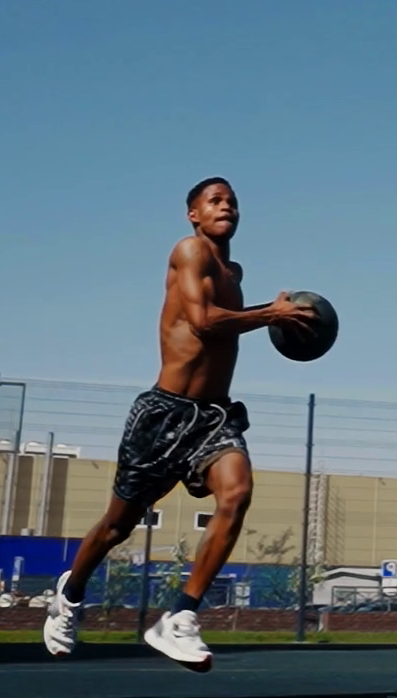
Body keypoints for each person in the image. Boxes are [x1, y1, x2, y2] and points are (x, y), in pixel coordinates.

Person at [42, 177, 322, 671]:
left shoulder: (234, 271)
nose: (226, 207)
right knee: (116, 527)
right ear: (194, 214)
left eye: (232, 201)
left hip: (212, 418)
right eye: (215, 201)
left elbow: (227, 323)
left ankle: (181, 618)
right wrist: (269, 314)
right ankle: (70, 595)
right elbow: (203, 321)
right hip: (164, 413)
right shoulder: (189, 250)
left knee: (236, 493)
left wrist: (273, 316)